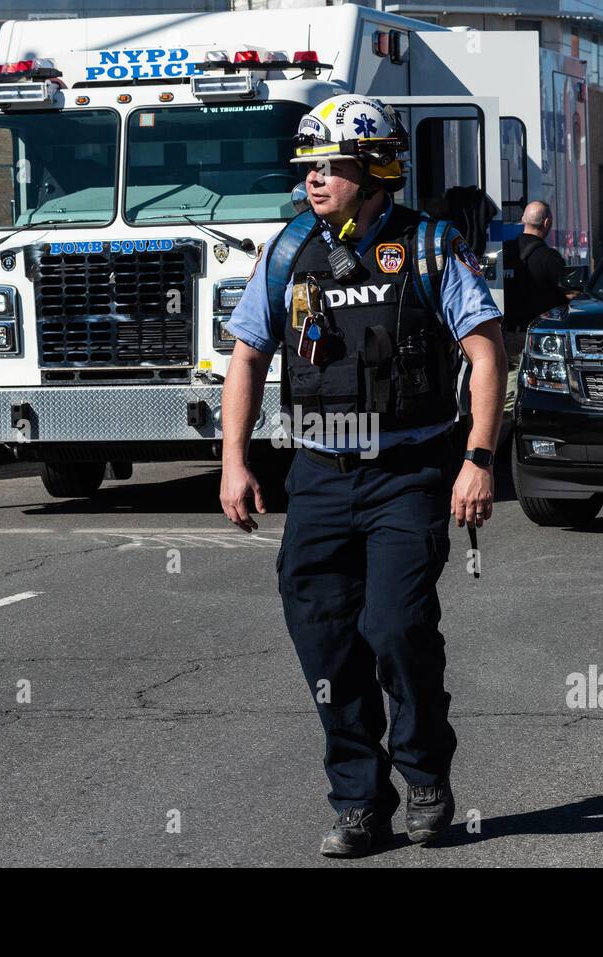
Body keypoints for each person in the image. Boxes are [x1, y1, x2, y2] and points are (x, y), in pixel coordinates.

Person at [218, 94, 507, 858]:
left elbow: (485, 353)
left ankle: (425, 777)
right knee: (324, 641)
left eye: (334, 167)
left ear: (376, 171)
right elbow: (246, 355)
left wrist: (478, 459)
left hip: (408, 469)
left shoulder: (432, 247)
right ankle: (359, 803)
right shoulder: (287, 252)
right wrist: (234, 461)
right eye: (310, 167)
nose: (316, 181)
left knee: (396, 627)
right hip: (316, 472)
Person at [503, 200, 572, 425]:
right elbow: (572, 295)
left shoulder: (504, 252)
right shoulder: (550, 258)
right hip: (532, 340)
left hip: (502, 336)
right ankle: (509, 442)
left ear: (523, 220)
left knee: (503, 391)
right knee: (523, 396)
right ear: (547, 223)